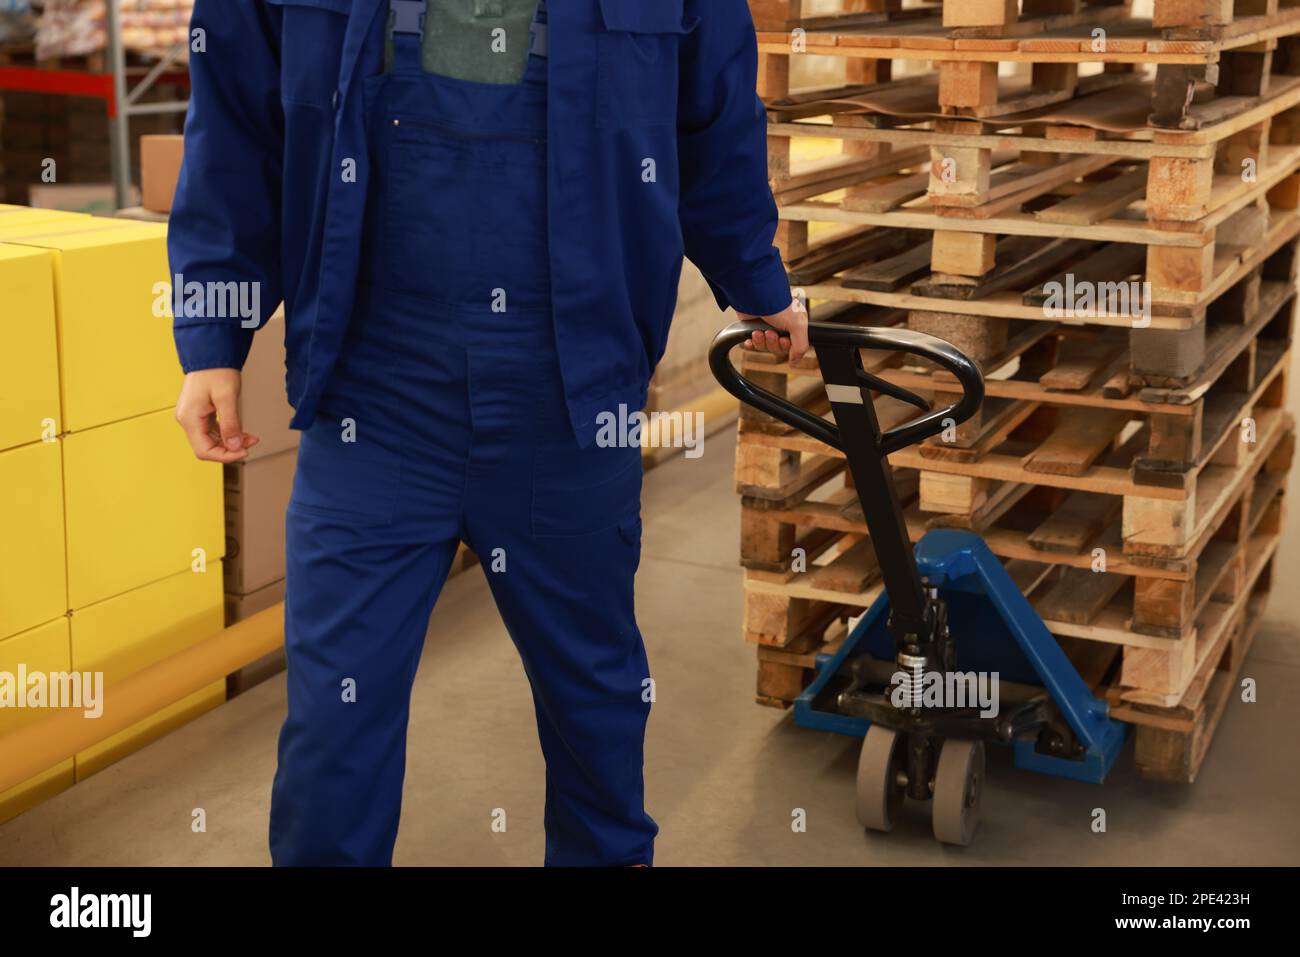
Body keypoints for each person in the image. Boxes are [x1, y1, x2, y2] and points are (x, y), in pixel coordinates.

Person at [169, 0, 807, 866]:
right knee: (333, 725)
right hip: (373, 394)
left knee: (596, 709)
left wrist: (753, 275)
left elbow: (713, 117)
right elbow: (237, 123)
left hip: (571, 398)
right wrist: (214, 334)